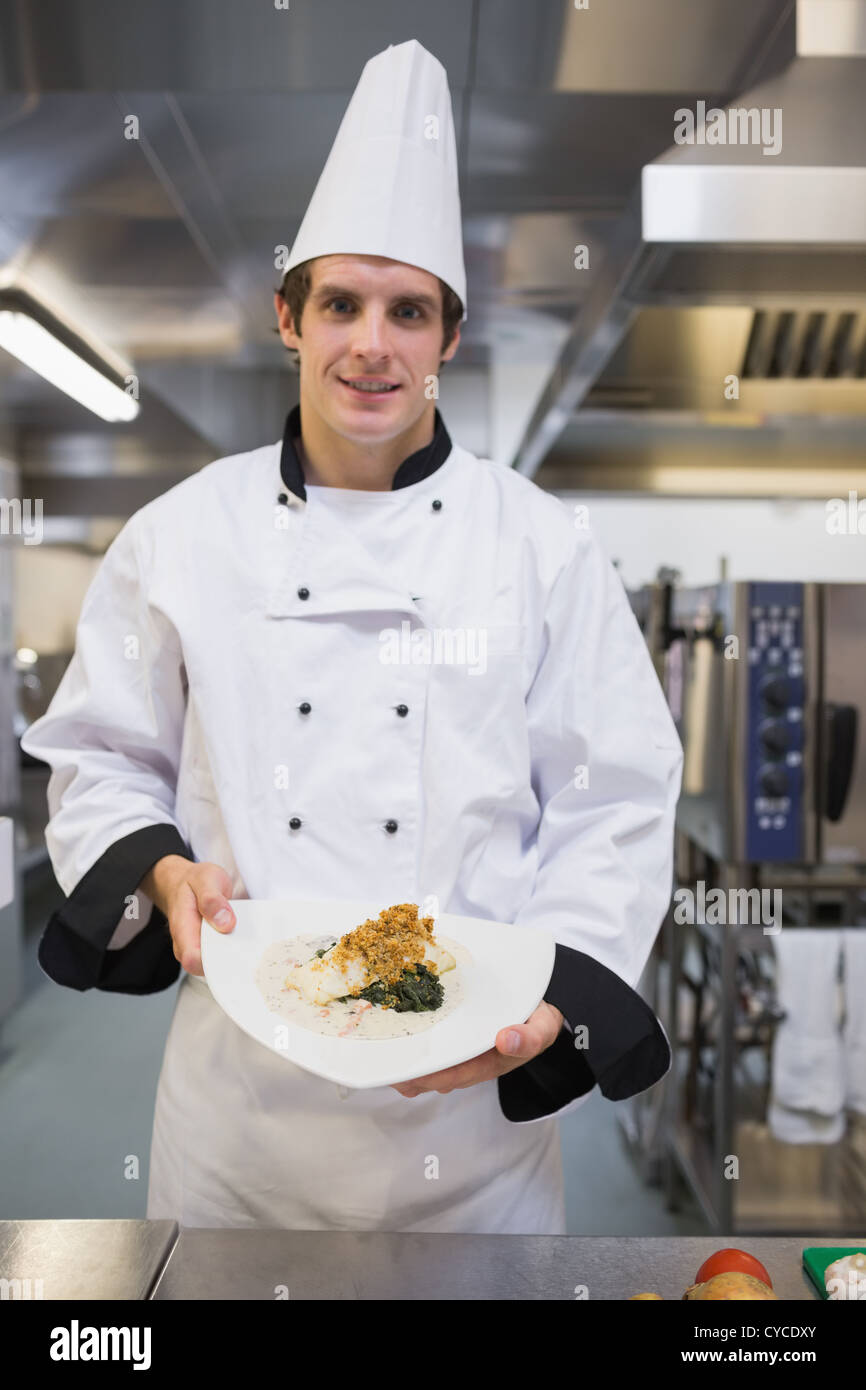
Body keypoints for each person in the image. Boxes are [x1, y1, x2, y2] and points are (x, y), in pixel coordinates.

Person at [21, 39, 683, 1233]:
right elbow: (100, 757)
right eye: (340, 303)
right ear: (289, 317)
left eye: (407, 311)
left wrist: (553, 999)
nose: (371, 344)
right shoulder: (183, 534)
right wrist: (163, 869)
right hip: (238, 1129)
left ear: (447, 339)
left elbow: (613, 804)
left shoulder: (541, 546)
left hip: (469, 1134)